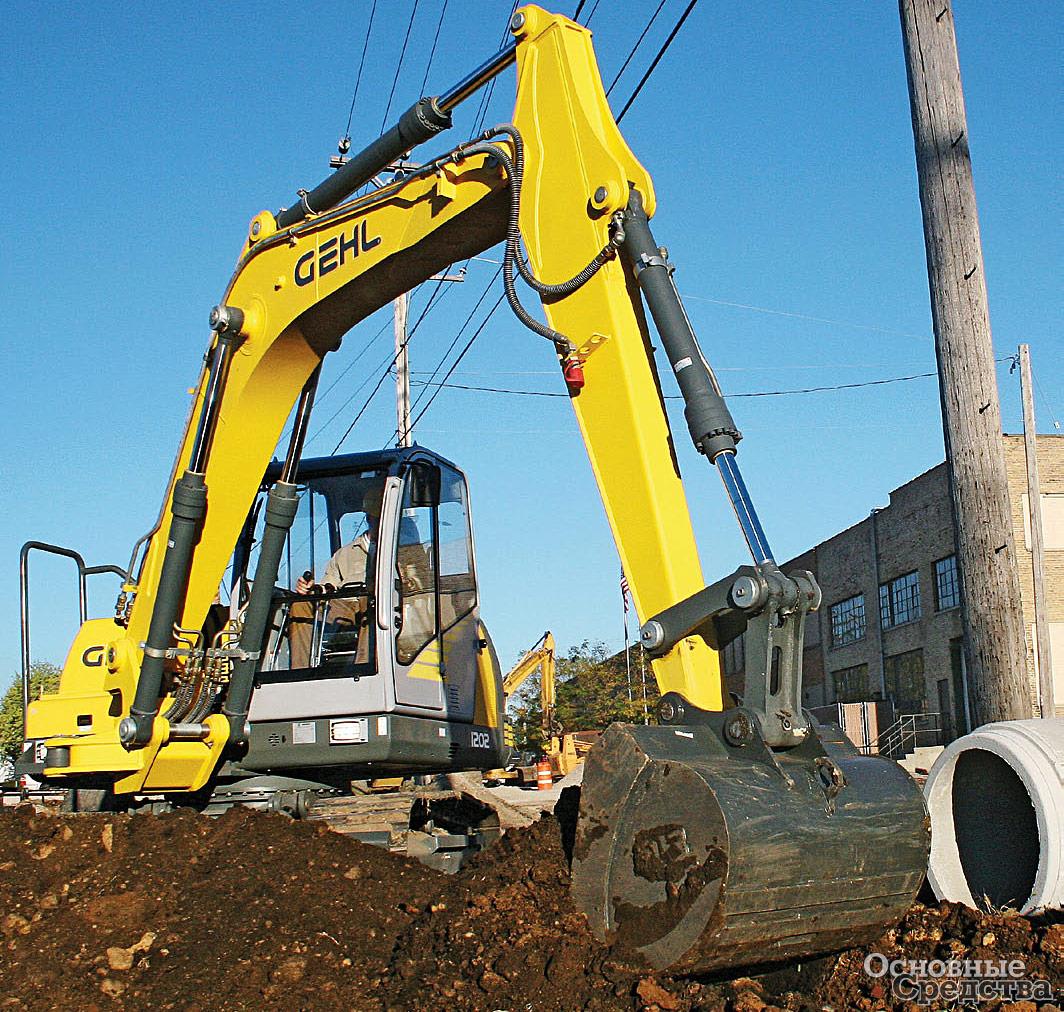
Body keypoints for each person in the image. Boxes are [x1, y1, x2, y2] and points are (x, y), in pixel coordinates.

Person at [287, 484, 385, 668]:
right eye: (377, 518)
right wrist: (312, 590)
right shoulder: (345, 553)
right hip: (347, 606)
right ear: (369, 518)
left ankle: (363, 668)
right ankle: (300, 670)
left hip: (379, 607)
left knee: (370, 601)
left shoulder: (403, 551)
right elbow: (329, 586)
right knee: (300, 605)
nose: (379, 522)